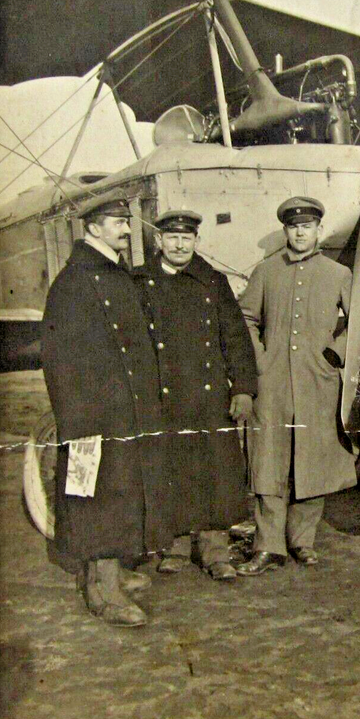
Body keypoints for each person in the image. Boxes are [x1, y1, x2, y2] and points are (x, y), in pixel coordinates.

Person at [41, 190, 169, 627]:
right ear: (94, 227)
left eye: (127, 221)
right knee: (95, 500)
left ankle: (111, 572)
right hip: (91, 419)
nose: (128, 229)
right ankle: (102, 591)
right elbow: (59, 361)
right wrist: (78, 425)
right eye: (119, 223)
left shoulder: (112, 273)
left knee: (120, 494)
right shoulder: (74, 283)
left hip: (123, 413)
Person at [134, 210, 258, 581]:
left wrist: (244, 388)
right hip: (162, 396)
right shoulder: (139, 282)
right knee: (169, 470)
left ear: (196, 241)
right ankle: (172, 547)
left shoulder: (213, 281)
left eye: (186, 238)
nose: (179, 245)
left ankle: (215, 552)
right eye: (172, 238)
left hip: (208, 397)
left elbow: (235, 338)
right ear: (159, 241)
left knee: (214, 473)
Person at [236, 196, 356, 576]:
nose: (300, 232)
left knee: (313, 459)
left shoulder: (338, 274)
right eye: (293, 226)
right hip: (271, 384)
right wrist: (261, 359)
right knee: (268, 460)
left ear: (319, 229)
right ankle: (268, 546)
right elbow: (245, 318)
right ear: (285, 230)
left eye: (307, 226)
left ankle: (302, 540)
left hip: (317, 382)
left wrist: (333, 355)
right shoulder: (266, 271)